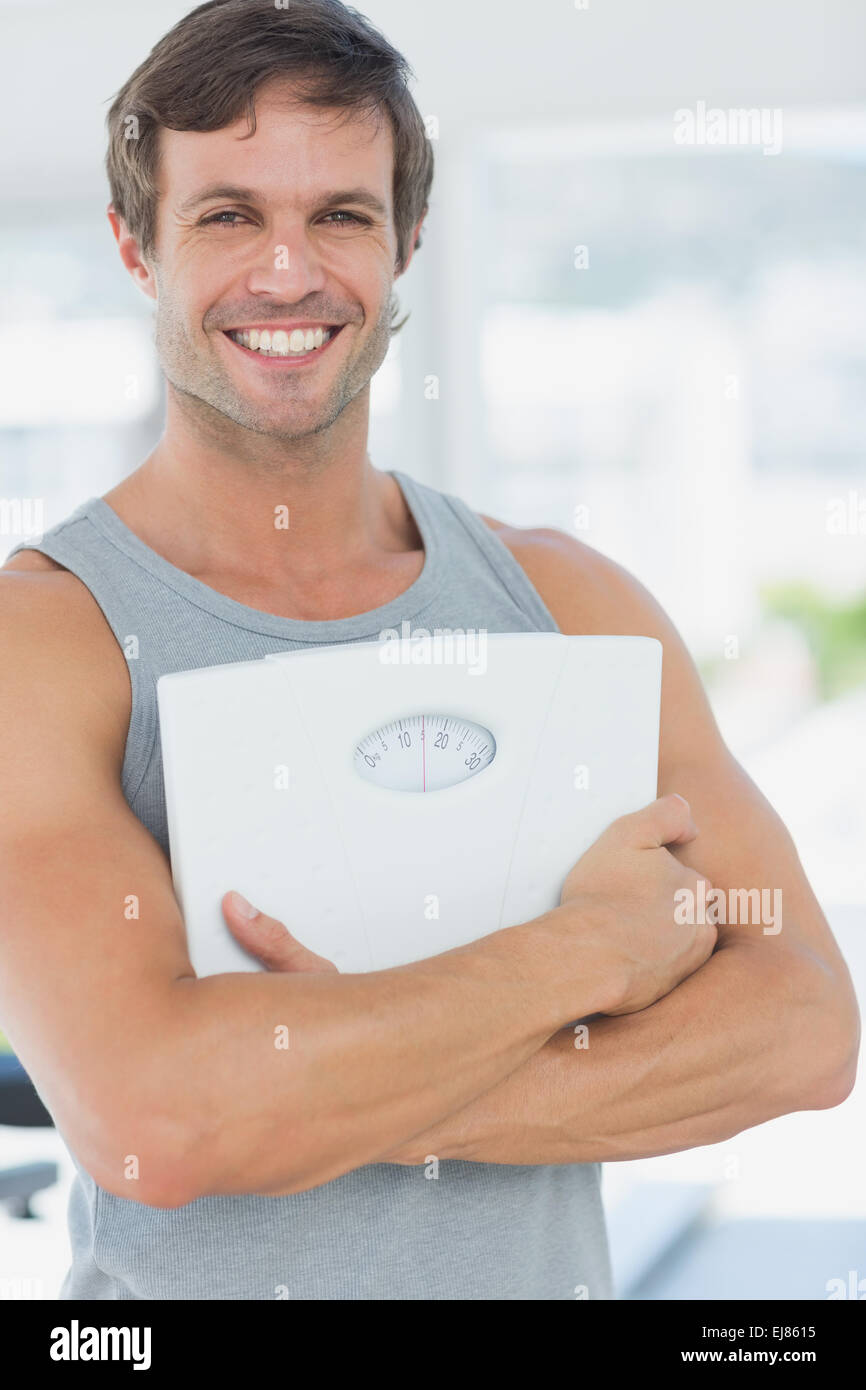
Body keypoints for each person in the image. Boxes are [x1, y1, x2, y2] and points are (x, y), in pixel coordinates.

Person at [0, 0, 857, 1301]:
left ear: (404, 242)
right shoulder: (46, 638)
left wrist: (316, 1097)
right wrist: (585, 953)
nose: (286, 271)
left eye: (338, 214)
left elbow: (802, 1024)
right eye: (227, 214)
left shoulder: (570, 600)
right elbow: (155, 1123)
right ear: (135, 245)